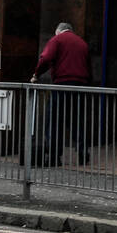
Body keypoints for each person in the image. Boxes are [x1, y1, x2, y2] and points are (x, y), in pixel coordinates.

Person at [31, 22, 92, 165]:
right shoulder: (82, 43)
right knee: (78, 121)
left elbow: (45, 58)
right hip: (81, 86)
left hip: (62, 84)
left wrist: (36, 74)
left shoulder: (57, 40)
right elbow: (88, 68)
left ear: (58, 31)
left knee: (54, 120)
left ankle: (54, 157)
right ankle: (83, 153)